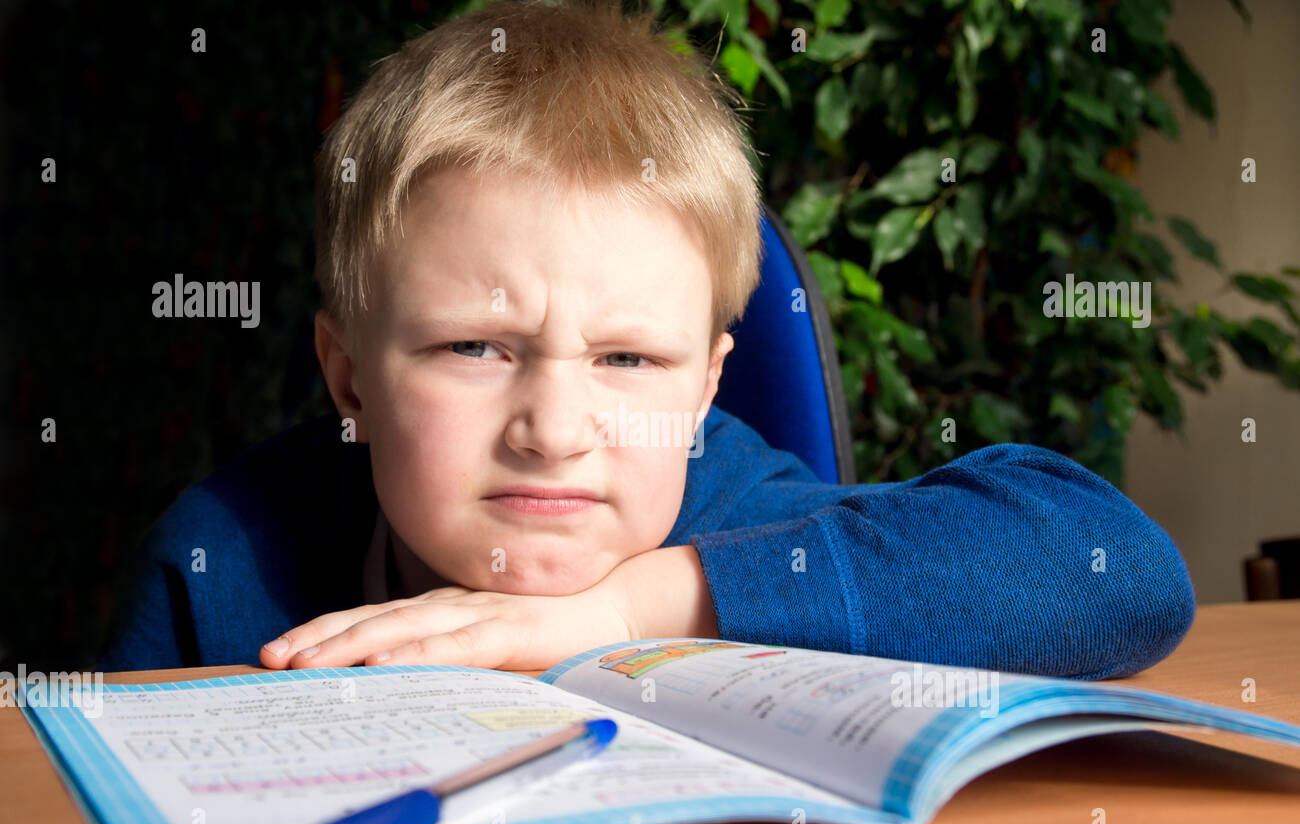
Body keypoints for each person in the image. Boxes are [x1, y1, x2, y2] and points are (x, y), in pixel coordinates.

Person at [98, 0, 1195, 679]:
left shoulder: (732, 502)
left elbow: (1120, 570)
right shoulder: (219, 563)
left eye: (628, 359)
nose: (556, 430)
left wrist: (627, 605)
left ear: (707, 388)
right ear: (348, 377)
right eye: (476, 348)